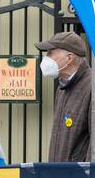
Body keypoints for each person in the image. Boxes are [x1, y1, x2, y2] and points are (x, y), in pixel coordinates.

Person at [37, 31, 91, 162]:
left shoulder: (92, 87)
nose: (46, 58)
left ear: (69, 58)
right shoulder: (62, 88)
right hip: (59, 173)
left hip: (79, 177)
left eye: (50, 53)